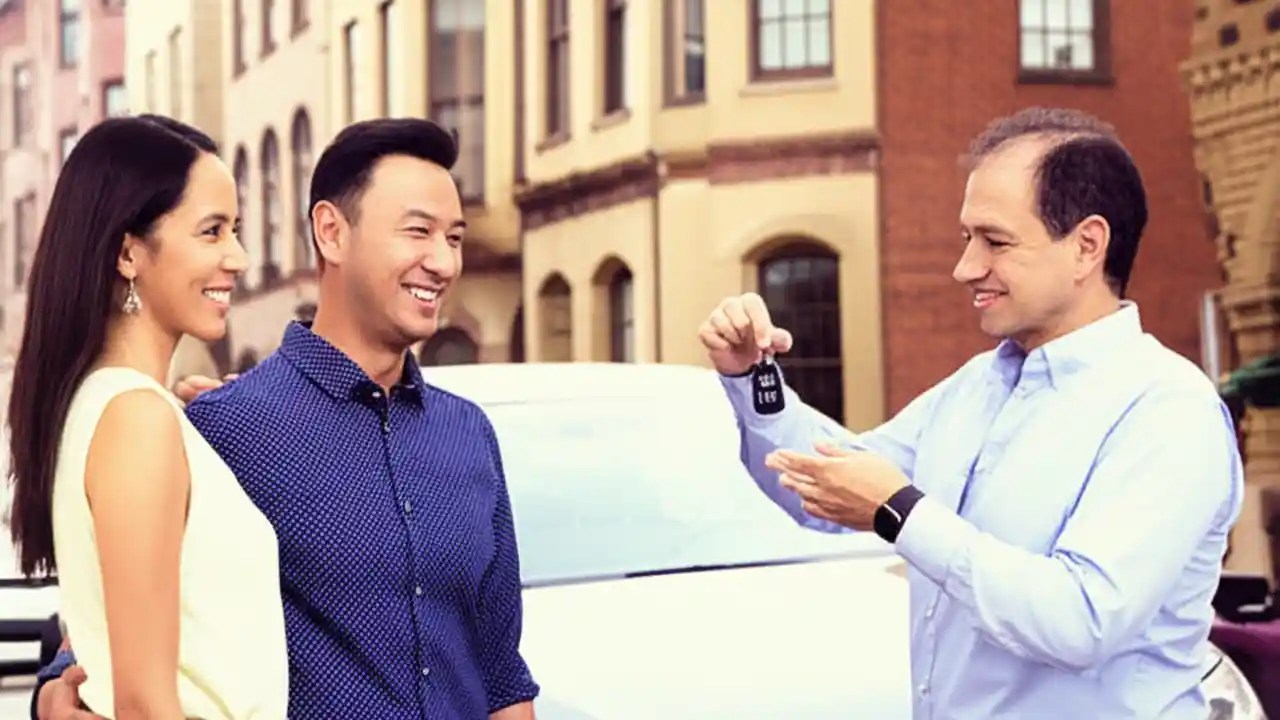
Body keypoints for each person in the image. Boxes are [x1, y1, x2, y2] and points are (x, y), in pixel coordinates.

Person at [698, 107, 1244, 718]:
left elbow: (1083, 620)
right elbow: (824, 486)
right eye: (967, 238)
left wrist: (902, 513)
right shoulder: (976, 385)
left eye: (996, 241)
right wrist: (753, 377)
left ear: (1087, 246)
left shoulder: (1169, 410)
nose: (966, 268)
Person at [35, 117, 539, 720]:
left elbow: (501, 670)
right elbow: (113, 620)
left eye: (453, 238)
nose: (442, 262)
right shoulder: (222, 428)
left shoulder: (468, 435)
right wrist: (55, 691)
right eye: (417, 232)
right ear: (331, 232)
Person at [8, 115, 288, 718]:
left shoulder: (122, 408)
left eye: (234, 229)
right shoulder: (135, 419)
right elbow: (144, 704)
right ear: (129, 252)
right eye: (211, 231)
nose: (237, 257)